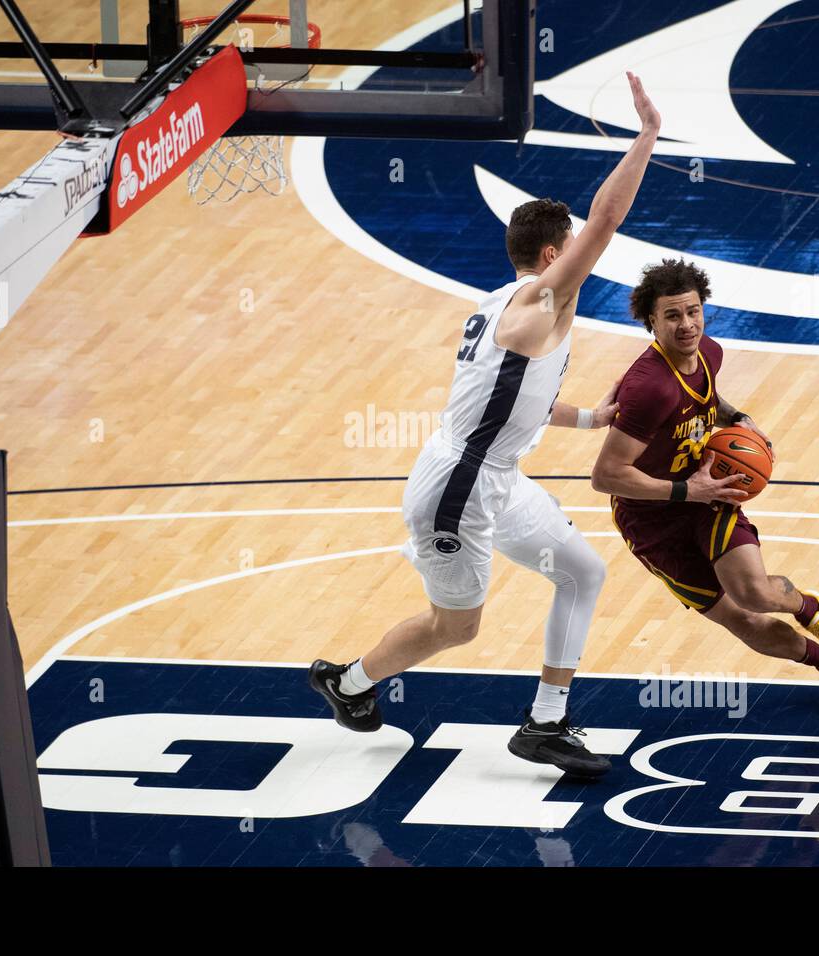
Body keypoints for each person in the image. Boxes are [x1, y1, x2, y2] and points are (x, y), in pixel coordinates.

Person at [307, 73, 664, 776]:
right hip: (458, 490)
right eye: (575, 247)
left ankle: (546, 723)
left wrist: (590, 417)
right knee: (457, 628)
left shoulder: (508, 301)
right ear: (554, 257)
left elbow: (519, 404)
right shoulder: (541, 306)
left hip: (490, 475)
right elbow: (609, 219)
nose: (588, 255)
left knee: (582, 572)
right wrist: (647, 136)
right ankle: (346, 682)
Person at [590, 258, 819, 718]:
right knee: (741, 619)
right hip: (652, 517)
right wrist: (686, 492)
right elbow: (606, 475)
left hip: (709, 491)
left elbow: (707, 400)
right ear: (651, 321)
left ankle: (812, 608)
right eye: (673, 316)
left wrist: (737, 419)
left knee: (755, 592)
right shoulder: (649, 389)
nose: (688, 325)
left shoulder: (709, 353)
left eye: (694, 311)